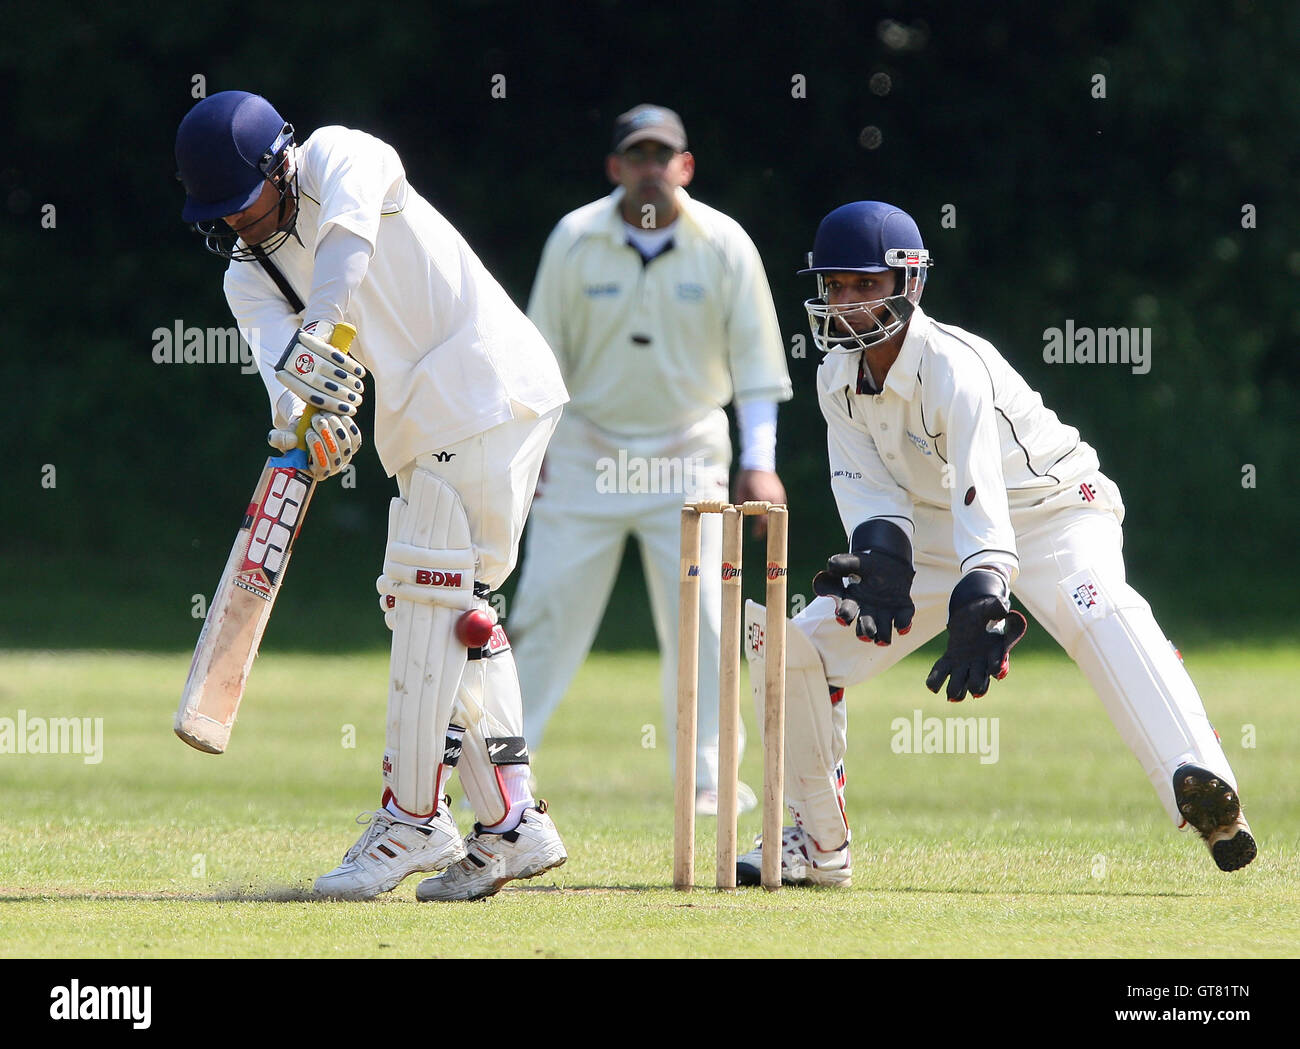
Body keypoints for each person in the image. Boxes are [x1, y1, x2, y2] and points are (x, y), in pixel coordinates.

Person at [738, 200, 1256, 886]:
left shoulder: (953, 366)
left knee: (1097, 608)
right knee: (792, 643)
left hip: (1054, 512)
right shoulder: (836, 375)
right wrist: (883, 562)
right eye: (836, 286)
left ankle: (1205, 787)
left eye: (865, 285)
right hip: (937, 531)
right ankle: (817, 842)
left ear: (909, 283)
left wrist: (982, 591)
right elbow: (869, 491)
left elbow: (980, 485)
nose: (849, 304)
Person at [174, 90, 571, 902]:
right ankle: (512, 824)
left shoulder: (341, 155)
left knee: (430, 595)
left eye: (241, 204)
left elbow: (345, 253)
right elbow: (283, 380)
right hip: (437, 420)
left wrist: (318, 346)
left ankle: (413, 817)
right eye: (218, 216)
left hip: (483, 385)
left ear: (276, 165)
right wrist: (304, 424)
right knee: (440, 606)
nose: (237, 227)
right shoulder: (246, 279)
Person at [509, 105, 793, 813]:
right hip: (585, 450)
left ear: (685, 167)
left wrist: (759, 460)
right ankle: (503, 773)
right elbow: (538, 360)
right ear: (616, 168)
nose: (650, 170)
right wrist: (529, 447)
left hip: (687, 454)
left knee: (704, 619)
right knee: (542, 614)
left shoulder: (724, 243)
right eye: (637, 156)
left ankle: (709, 776)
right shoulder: (575, 238)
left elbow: (757, 366)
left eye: (663, 157)